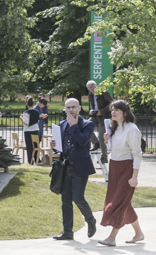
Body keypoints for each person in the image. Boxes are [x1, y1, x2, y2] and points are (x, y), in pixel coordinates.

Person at [98, 99, 145, 246]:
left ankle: (112, 237)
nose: (113, 112)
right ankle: (139, 233)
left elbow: (137, 154)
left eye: (117, 110)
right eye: (112, 109)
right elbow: (116, 150)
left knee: (118, 202)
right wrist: (107, 141)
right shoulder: (115, 127)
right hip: (115, 167)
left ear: (125, 113)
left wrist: (134, 177)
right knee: (124, 203)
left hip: (127, 169)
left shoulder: (132, 129)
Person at [52, 98, 98, 240]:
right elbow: (60, 147)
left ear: (79, 108)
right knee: (66, 201)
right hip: (65, 166)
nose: (70, 110)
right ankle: (67, 232)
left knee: (78, 198)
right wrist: (54, 144)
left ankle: (90, 220)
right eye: (68, 107)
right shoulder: (62, 124)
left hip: (80, 167)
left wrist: (74, 126)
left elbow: (83, 141)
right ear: (65, 109)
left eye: (73, 107)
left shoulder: (87, 124)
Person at [85, 80, 112, 162]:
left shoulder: (103, 92)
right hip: (95, 115)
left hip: (104, 116)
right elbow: (93, 105)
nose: (94, 91)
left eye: (94, 88)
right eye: (91, 89)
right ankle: (95, 143)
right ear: (89, 90)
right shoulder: (90, 95)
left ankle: (104, 157)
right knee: (85, 126)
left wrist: (102, 111)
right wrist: (91, 110)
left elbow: (111, 103)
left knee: (101, 136)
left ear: (96, 85)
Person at [21, 94, 43, 163]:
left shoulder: (26, 112)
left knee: (29, 146)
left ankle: (30, 161)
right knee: (36, 145)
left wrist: (21, 118)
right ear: (33, 104)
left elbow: (26, 123)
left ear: (27, 104)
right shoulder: (37, 112)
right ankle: (37, 159)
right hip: (35, 130)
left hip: (28, 131)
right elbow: (37, 121)